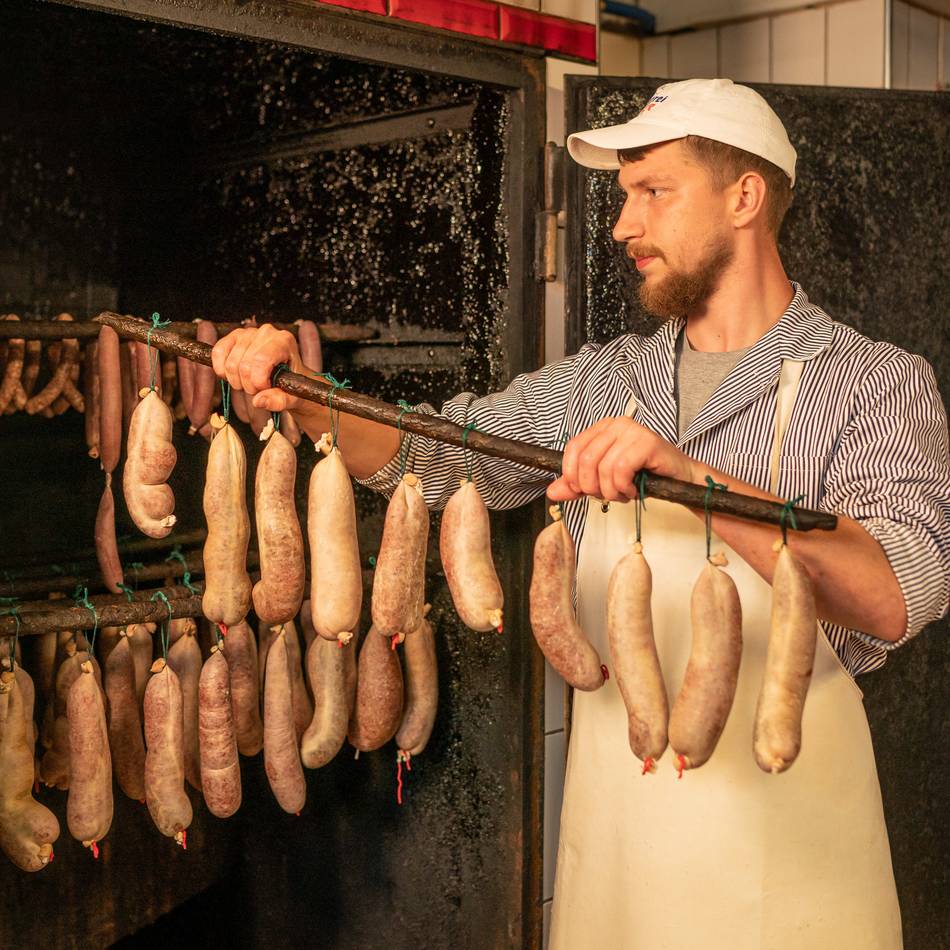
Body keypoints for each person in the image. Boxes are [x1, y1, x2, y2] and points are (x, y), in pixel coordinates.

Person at [212, 78, 950, 949]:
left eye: (652, 192)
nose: (621, 226)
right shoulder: (608, 380)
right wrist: (303, 398)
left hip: (788, 859)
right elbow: (439, 455)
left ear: (744, 197)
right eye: (621, 195)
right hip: (622, 843)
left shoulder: (874, 382)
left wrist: (690, 478)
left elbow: (902, 590)